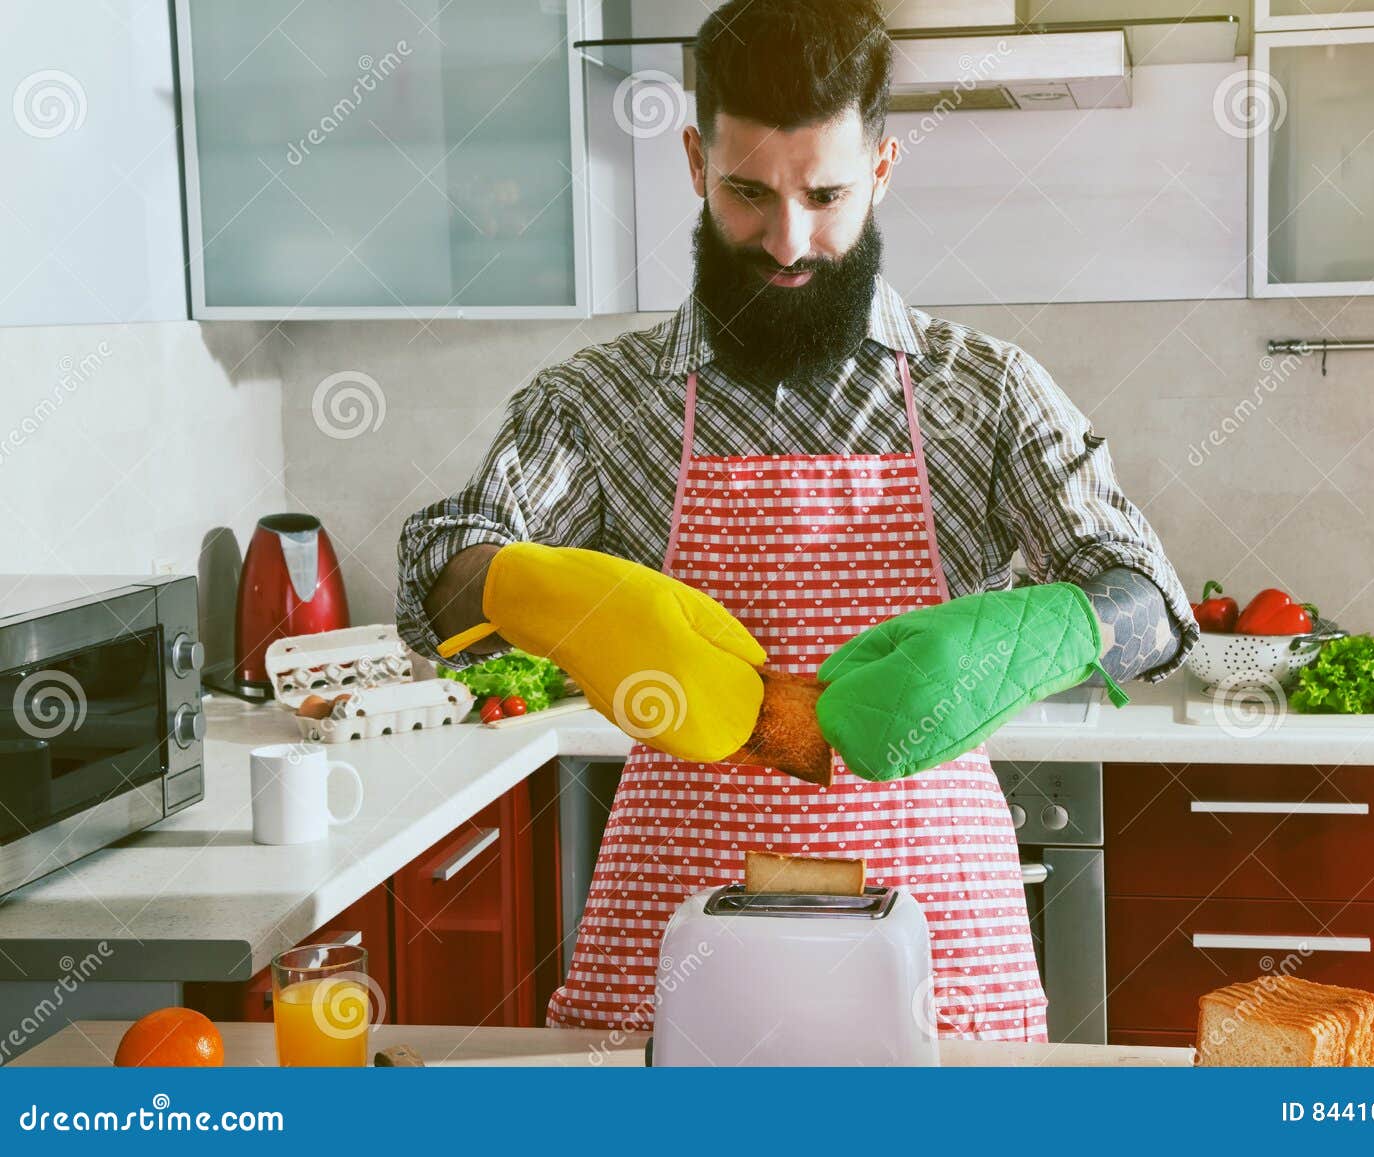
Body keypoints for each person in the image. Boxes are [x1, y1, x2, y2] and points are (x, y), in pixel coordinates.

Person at [396, 0, 1195, 1042]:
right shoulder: (601, 403)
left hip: (935, 928)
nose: (788, 240)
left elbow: (1156, 605)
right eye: (746, 192)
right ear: (693, 160)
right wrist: (530, 588)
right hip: (678, 929)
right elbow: (432, 572)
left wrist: (1038, 634)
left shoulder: (985, 391)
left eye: (826, 194)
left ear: (883, 166)